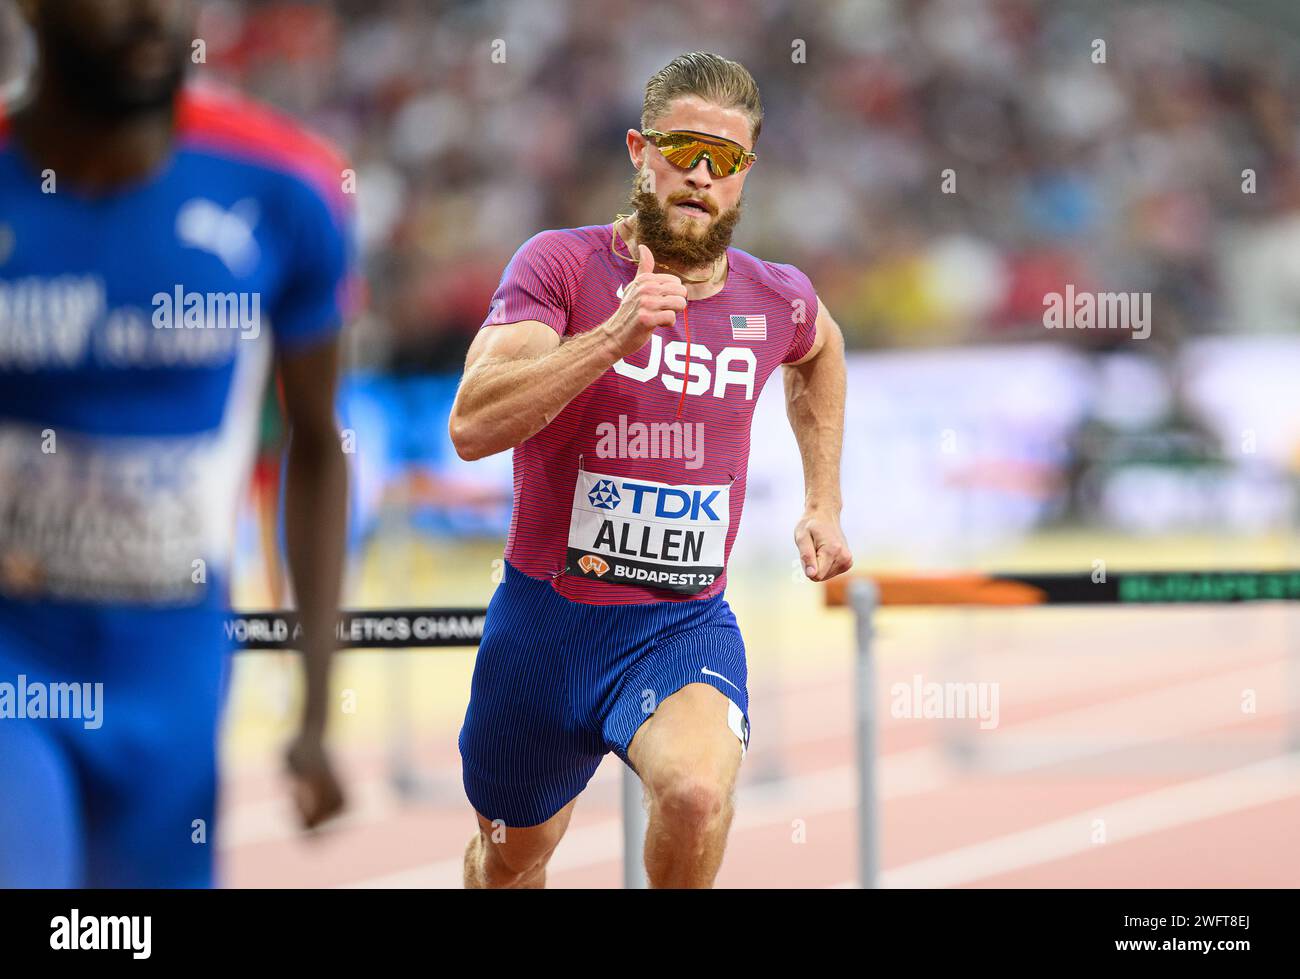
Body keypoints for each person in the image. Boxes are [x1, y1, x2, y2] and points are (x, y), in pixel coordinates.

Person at [451, 51, 852, 888]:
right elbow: (473, 422)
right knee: (511, 860)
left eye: (728, 160)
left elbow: (820, 350)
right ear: (639, 151)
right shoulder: (559, 267)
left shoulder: (773, 296)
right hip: (545, 629)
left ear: (746, 176)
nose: (703, 175)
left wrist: (824, 499)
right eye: (682, 150)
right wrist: (613, 338)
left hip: (680, 627)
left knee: (698, 793)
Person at [0, 0, 352, 886]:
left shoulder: (284, 189)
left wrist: (313, 712)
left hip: (175, 678)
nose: (150, 11)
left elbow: (315, 446)